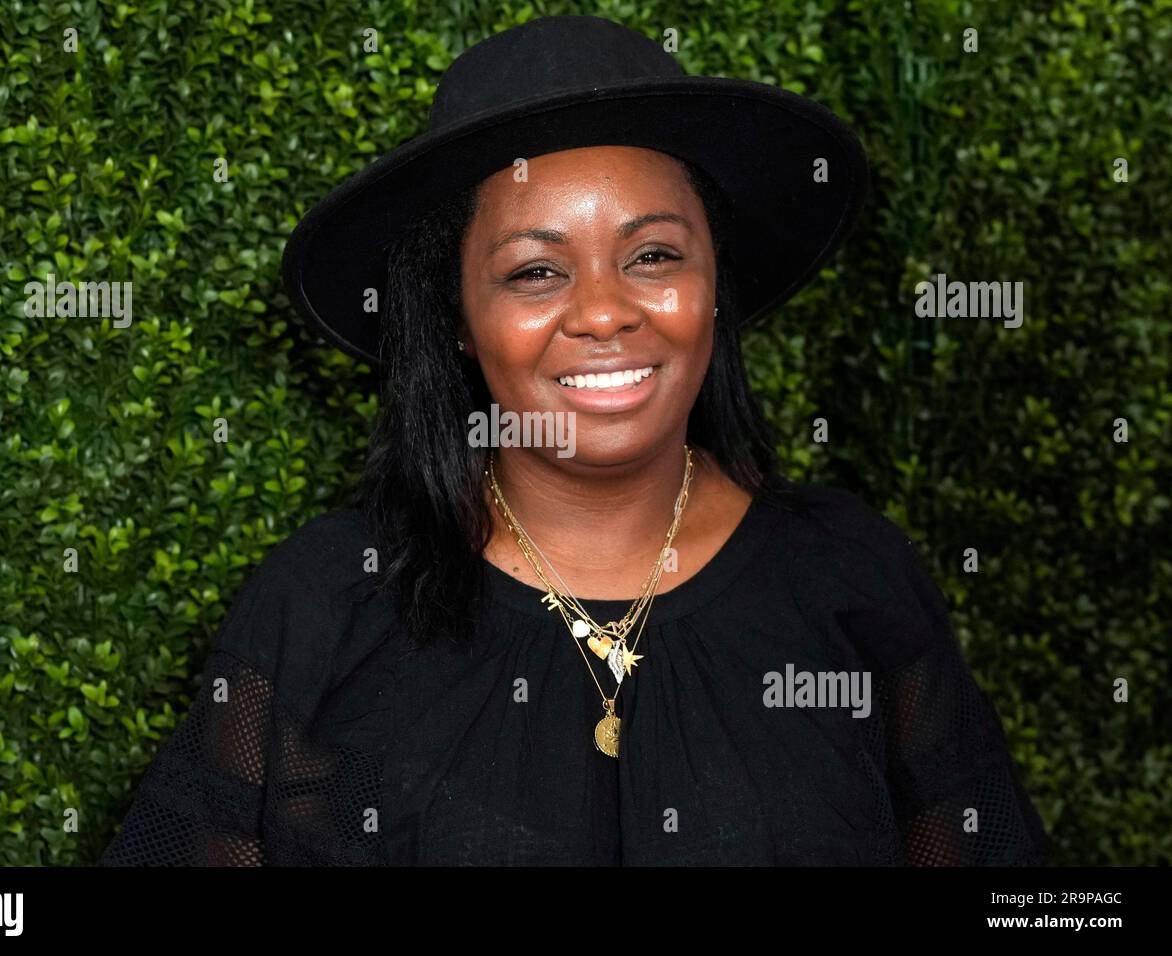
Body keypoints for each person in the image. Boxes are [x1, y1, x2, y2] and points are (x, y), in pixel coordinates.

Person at [99, 15, 1050, 866]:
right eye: (534, 272)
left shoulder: (855, 578)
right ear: (459, 320)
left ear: (713, 288)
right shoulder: (325, 604)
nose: (603, 312)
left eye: (653, 256)